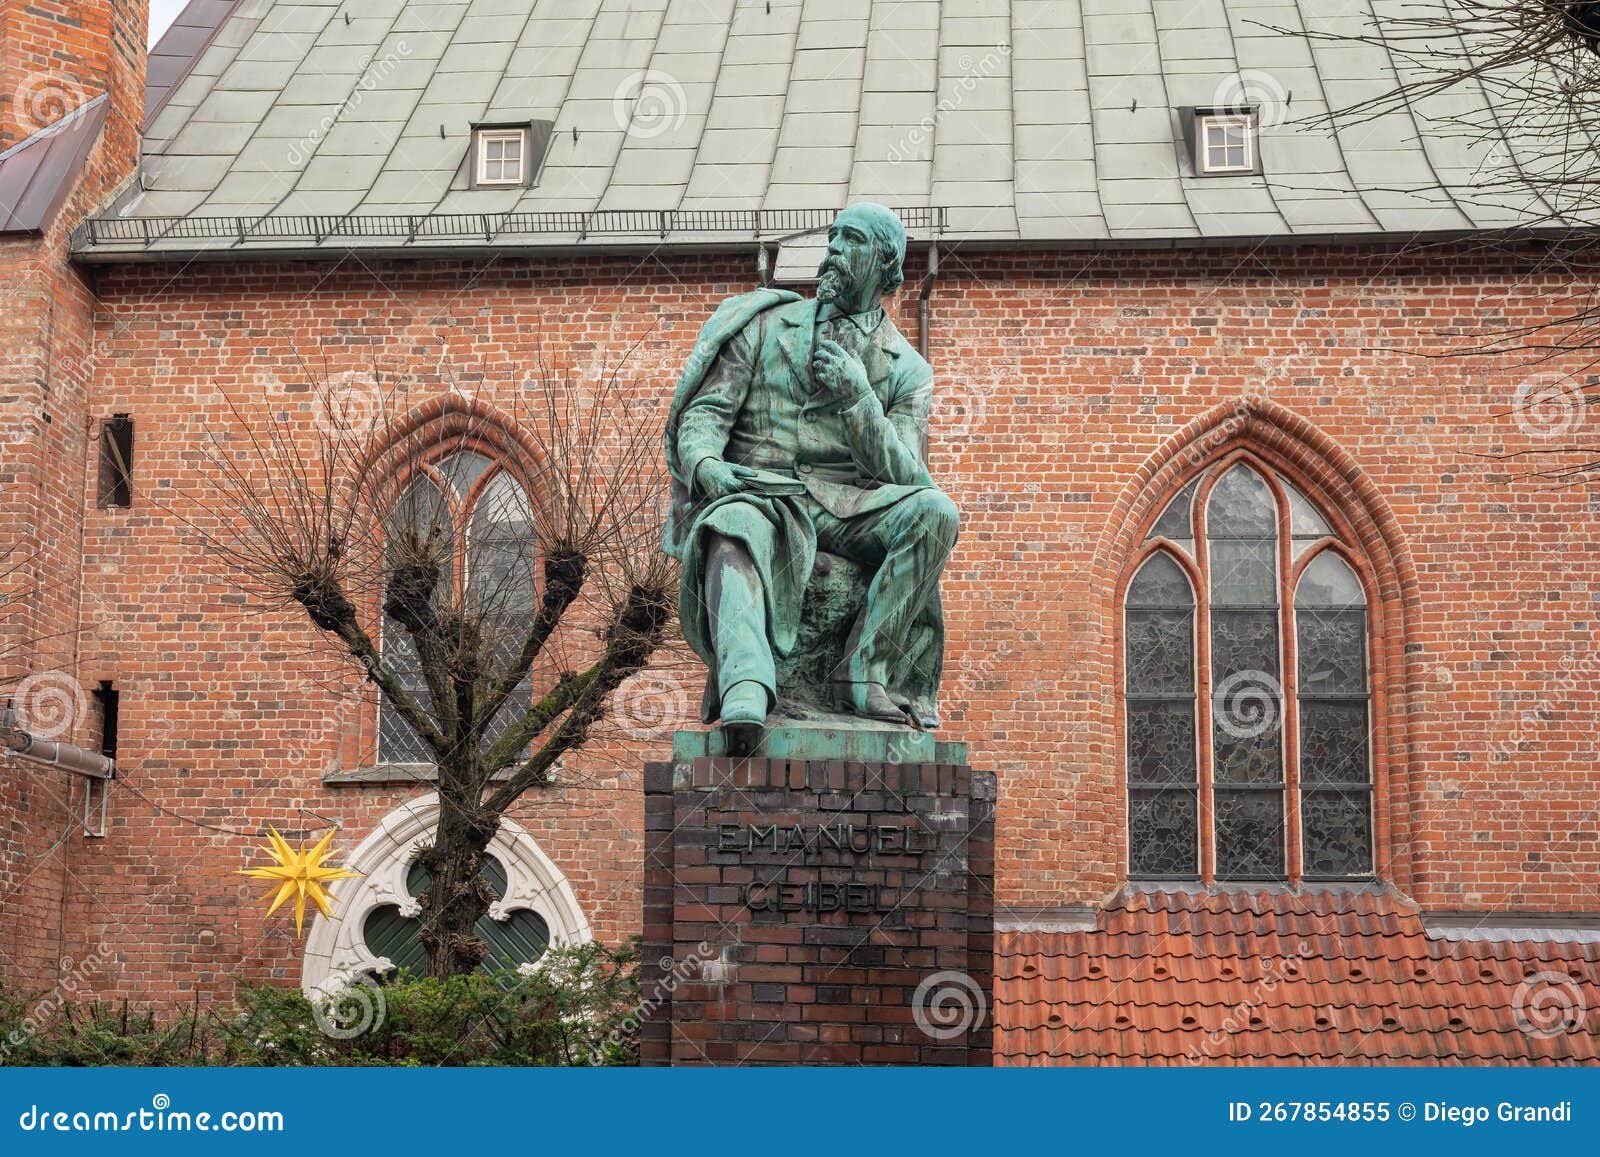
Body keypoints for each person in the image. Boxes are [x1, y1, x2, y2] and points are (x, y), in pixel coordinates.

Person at [663, 203, 958, 755]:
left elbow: (907, 473)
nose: (835, 252)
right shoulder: (767, 325)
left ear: (884, 265)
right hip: (764, 492)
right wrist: (706, 465)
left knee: (937, 512)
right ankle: (745, 688)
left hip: (848, 505)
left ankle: (864, 671)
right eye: (834, 239)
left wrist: (857, 398)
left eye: (852, 242)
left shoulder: (907, 370)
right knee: (730, 526)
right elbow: (706, 414)